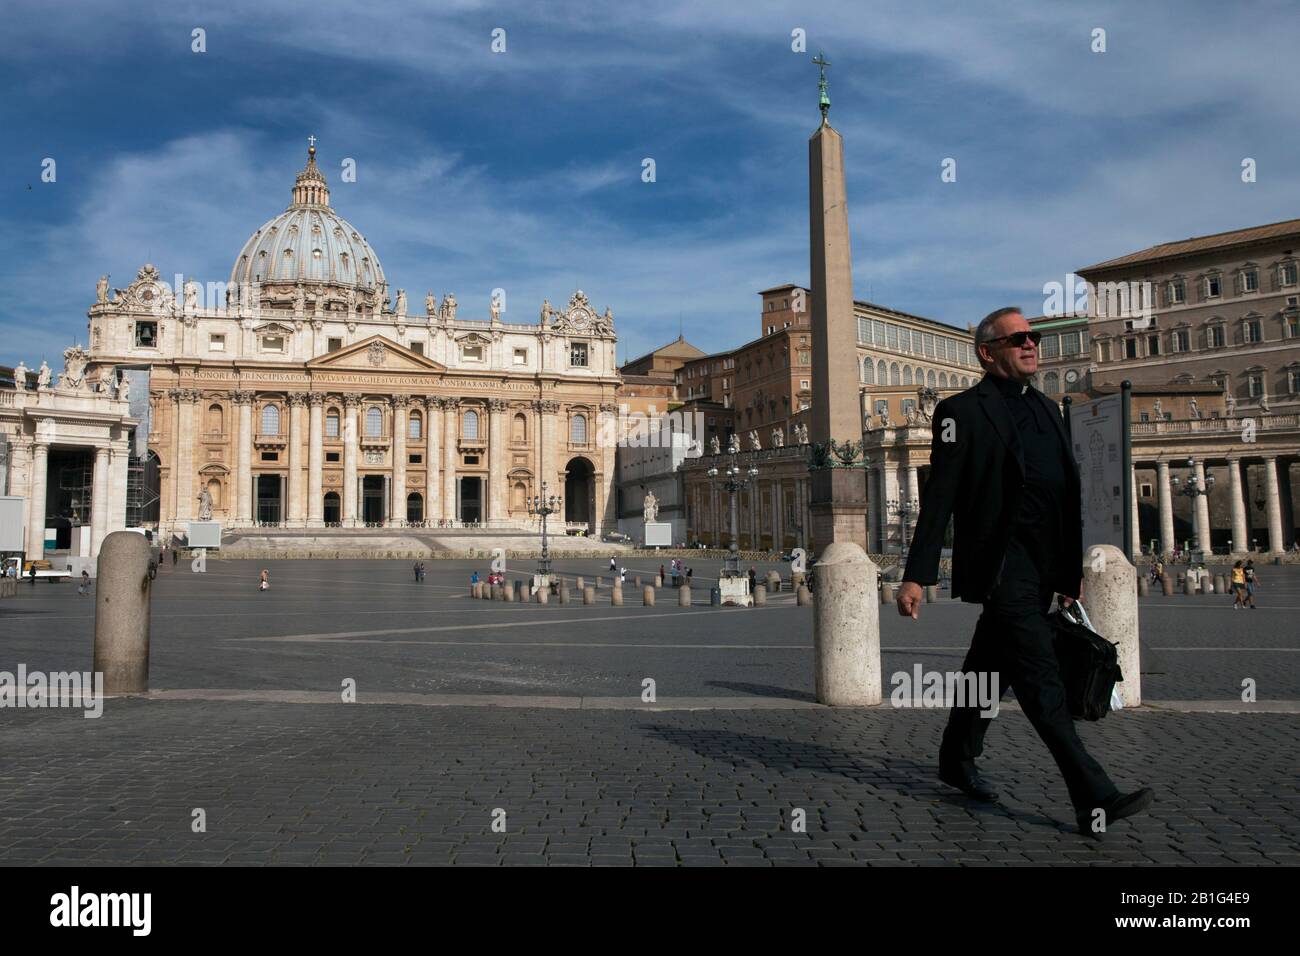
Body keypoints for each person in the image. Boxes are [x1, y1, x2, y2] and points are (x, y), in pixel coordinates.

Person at [896, 306, 1152, 839]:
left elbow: (1067, 496)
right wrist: (917, 574)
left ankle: (955, 755)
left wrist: (1069, 568)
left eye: (1032, 337)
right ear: (987, 353)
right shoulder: (958, 412)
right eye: (1018, 339)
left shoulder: (1047, 409)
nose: (1030, 345)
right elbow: (939, 498)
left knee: (991, 664)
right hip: (1001, 564)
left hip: (1043, 566)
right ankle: (1093, 795)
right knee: (1040, 677)